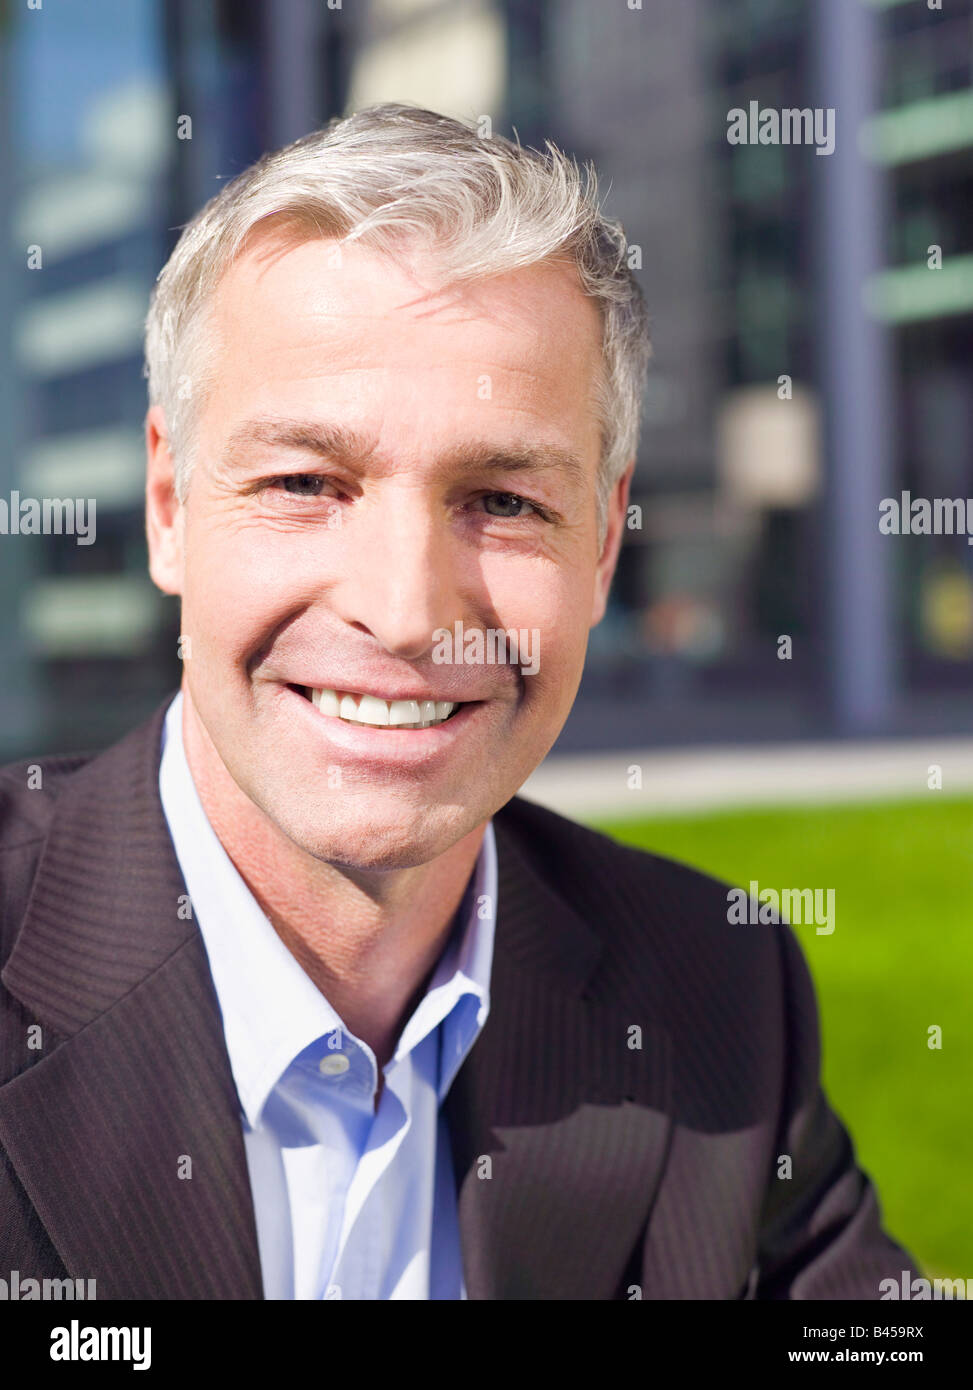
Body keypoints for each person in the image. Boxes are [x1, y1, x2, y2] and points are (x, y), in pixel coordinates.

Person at [0, 103, 917, 1300]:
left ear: (600, 547)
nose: (404, 607)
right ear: (169, 506)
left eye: (502, 499)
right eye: (304, 482)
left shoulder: (715, 985)